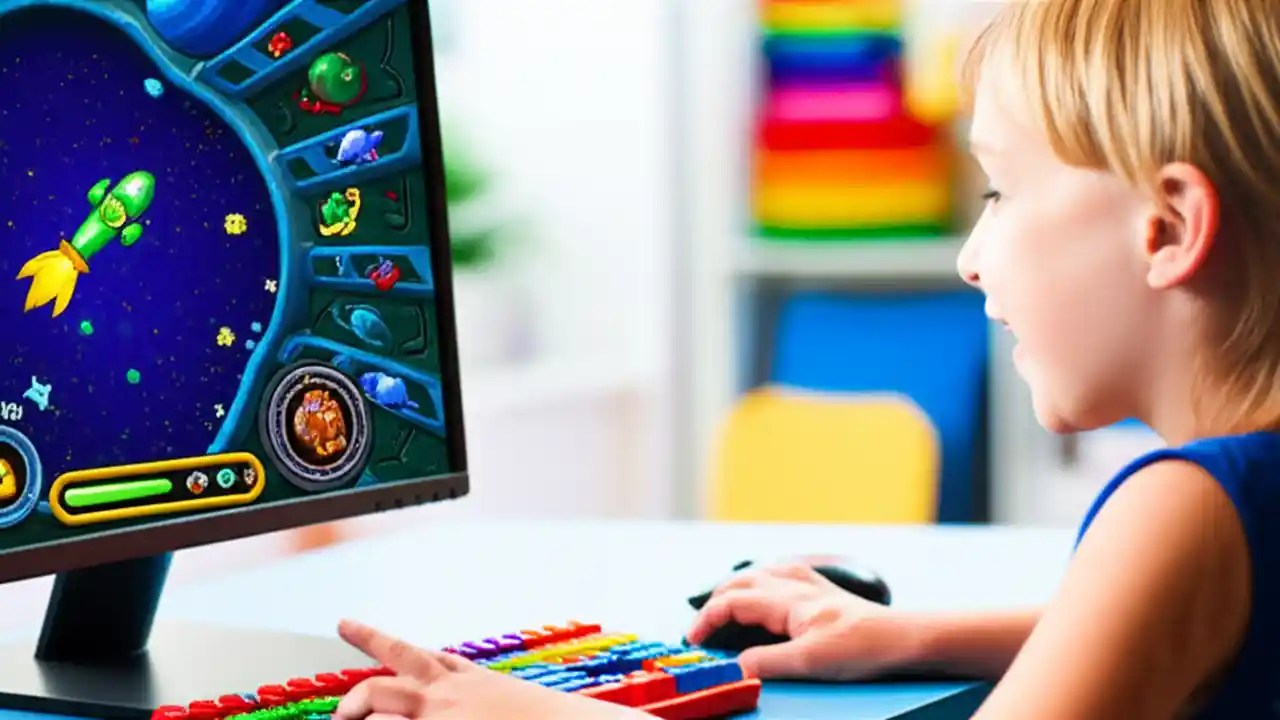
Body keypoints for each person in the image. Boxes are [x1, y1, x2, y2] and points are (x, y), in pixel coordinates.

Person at [330, 0, 1280, 716]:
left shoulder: (1183, 507)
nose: (970, 255)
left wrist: (540, 712)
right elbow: (1188, 632)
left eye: (1000, 192)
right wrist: (911, 634)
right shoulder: (1242, 496)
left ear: (1169, 227)